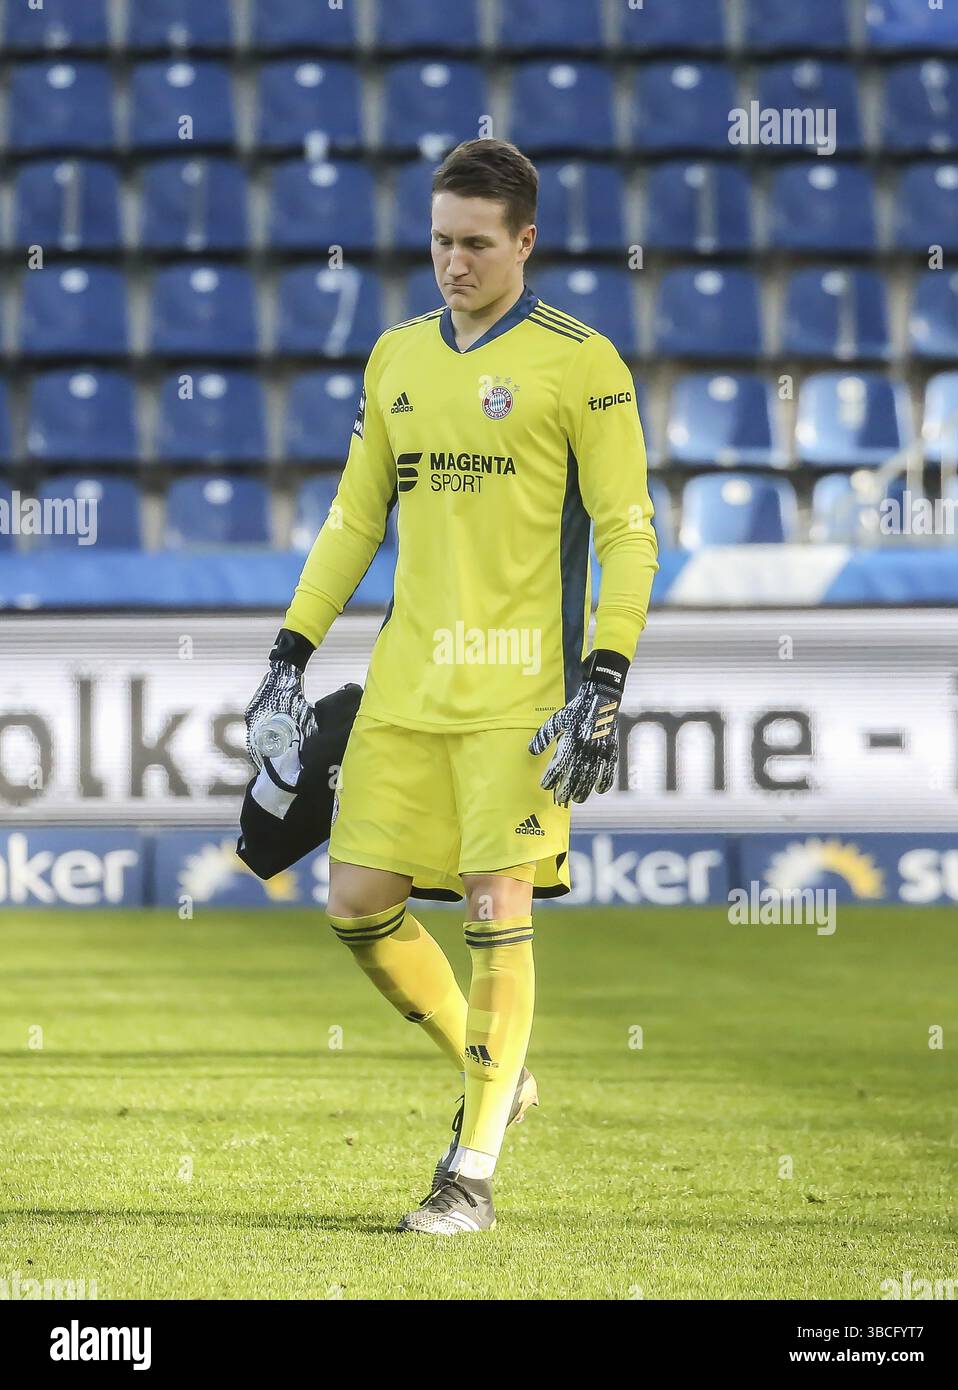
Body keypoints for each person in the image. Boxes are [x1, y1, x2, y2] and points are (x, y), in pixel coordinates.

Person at [245, 138, 659, 1234]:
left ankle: (468, 1168)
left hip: (519, 703)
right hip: (401, 693)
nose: (453, 262)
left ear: (524, 240)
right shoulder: (394, 358)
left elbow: (627, 535)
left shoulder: (584, 364)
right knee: (354, 903)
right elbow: (351, 521)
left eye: (476, 243)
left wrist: (604, 675)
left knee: (494, 910)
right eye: (439, 240)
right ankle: (500, 1075)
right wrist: (289, 653)